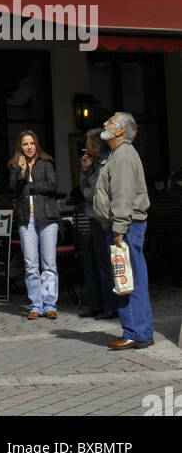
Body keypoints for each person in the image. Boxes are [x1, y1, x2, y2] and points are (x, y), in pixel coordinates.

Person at [93, 112, 153, 350]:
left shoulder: (123, 155)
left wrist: (118, 228)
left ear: (120, 131)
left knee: (127, 279)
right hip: (125, 225)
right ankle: (140, 331)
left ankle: (135, 331)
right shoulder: (117, 154)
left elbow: (123, 195)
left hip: (125, 227)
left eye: (111, 121)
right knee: (132, 278)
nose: (105, 123)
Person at [9, 130, 60, 320]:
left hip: (46, 217)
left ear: (36, 145)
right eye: (25, 144)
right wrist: (22, 172)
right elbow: (13, 189)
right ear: (20, 147)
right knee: (31, 264)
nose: (29, 147)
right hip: (26, 218)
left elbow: (52, 186)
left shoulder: (46, 162)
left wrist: (31, 187)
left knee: (49, 264)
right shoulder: (15, 166)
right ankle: (35, 305)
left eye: (32, 143)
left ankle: (50, 304)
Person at [77, 128, 116, 321]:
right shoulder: (94, 164)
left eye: (89, 143)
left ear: (97, 146)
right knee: (90, 263)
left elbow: (92, 193)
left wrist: (86, 188)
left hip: (102, 218)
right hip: (92, 217)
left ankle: (109, 306)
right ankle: (95, 305)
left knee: (103, 264)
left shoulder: (104, 163)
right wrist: (84, 170)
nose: (87, 147)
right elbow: (83, 187)